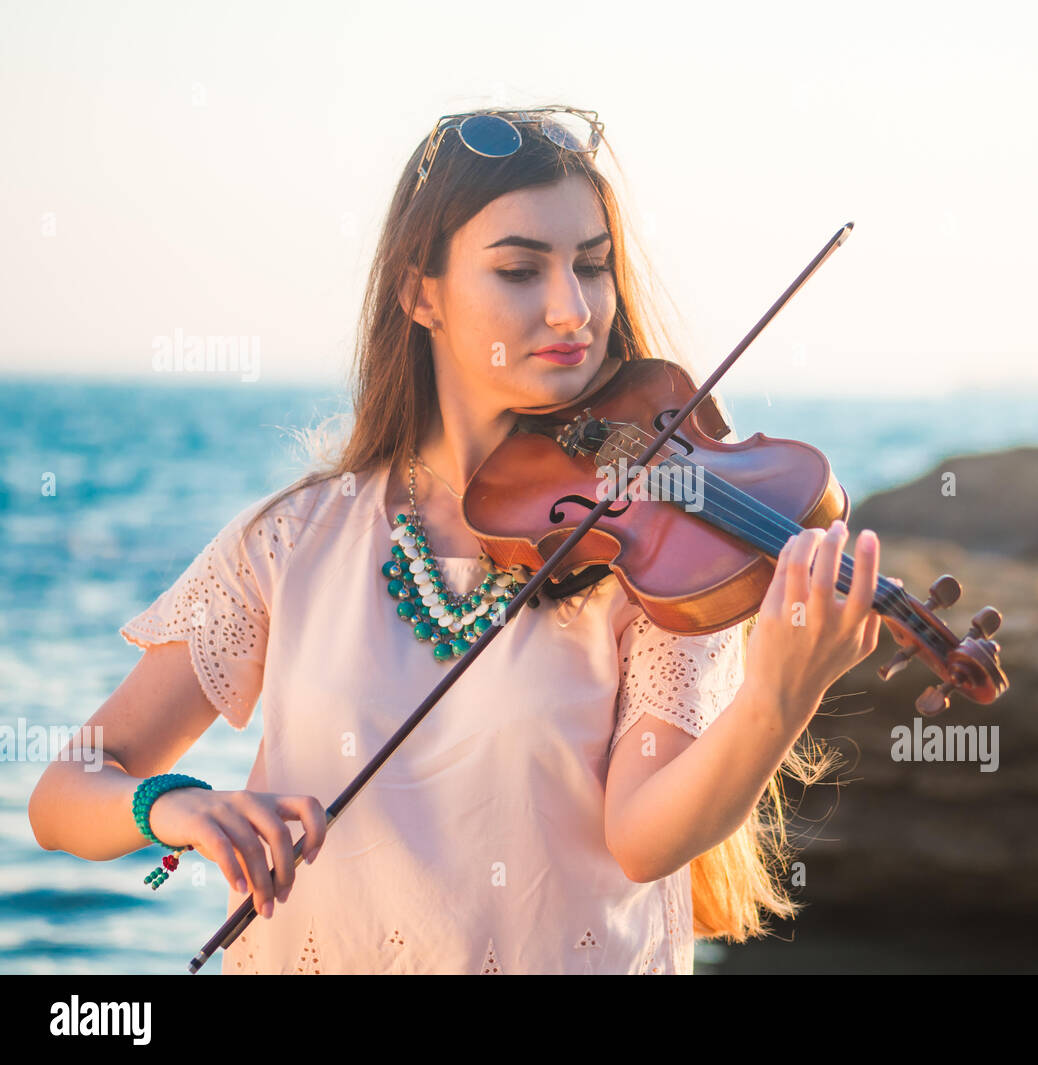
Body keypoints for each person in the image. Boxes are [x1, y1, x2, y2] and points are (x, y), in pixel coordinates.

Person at [27, 106, 882, 974]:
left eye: (592, 267)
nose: (572, 308)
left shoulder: (653, 548)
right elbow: (66, 793)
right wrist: (172, 807)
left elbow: (643, 838)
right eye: (519, 269)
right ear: (420, 291)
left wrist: (778, 697)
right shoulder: (292, 543)